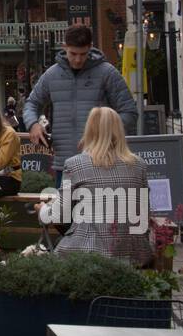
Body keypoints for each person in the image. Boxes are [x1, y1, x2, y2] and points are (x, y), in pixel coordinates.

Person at [24, 26, 137, 179]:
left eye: (83, 54)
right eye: (73, 53)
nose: (78, 59)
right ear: (64, 47)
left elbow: (130, 112)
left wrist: (105, 133)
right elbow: (31, 104)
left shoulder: (107, 73)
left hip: (101, 162)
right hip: (64, 165)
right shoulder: (52, 74)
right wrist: (33, 124)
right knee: (65, 204)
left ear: (91, 47)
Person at [48, 107, 152, 267]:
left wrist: (41, 210)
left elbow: (58, 215)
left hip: (88, 252)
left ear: (89, 130)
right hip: (133, 254)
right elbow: (143, 214)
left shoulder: (74, 164)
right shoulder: (139, 165)